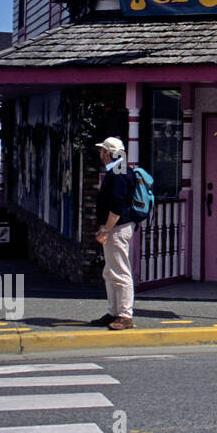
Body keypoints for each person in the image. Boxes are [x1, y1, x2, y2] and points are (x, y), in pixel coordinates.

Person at [91, 137, 136, 330]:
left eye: (102, 151)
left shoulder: (118, 173)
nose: (100, 154)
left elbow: (117, 206)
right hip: (114, 228)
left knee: (120, 271)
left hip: (117, 228)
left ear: (107, 153)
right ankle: (113, 312)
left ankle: (125, 315)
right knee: (110, 271)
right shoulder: (121, 170)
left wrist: (106, 230)